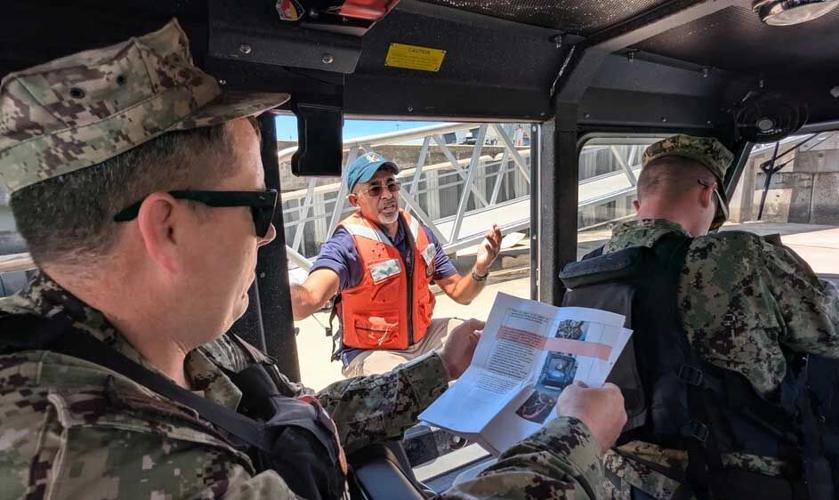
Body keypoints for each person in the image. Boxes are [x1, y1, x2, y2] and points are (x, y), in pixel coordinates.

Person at [0, 19, 627, 499]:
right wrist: (575, 445)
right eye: (259, 208)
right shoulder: (87, 458)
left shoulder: (187, 342)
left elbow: (297, 416)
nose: (269, 237)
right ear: (165, 228)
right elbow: (315, 293)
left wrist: (437, 370)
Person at [577, 135, 839, 499]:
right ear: (708, 193)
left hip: (619, 479)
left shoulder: (583, 272)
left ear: (639, 204)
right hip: (732, 479)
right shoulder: (737, 255)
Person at [290, 153, 503, 377]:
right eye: (375, 189)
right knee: (405, 385)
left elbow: (461, 294)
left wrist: (481, 268)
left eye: (391, 185)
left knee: (482, 339)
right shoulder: (347, 243)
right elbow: (307, 300)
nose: (387, 195)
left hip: (423, 338)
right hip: (373, 352)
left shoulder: (418, 232)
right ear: (355, 201)